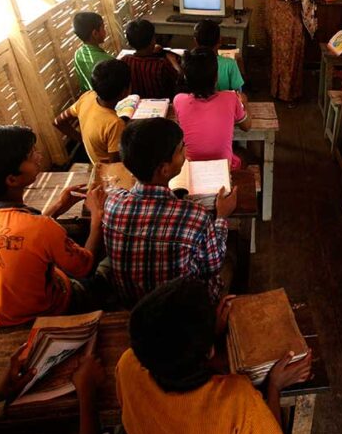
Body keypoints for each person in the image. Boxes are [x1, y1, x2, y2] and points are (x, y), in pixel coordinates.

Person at [116, 278, 313, 434]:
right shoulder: (236, 399)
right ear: (210, 352)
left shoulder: (127, 367)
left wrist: (203, 336)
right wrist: (274, 388)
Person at [0, 126, 106, 326]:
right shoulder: (42, 228)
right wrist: (97, 216)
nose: (38, 157)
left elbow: (20, 236)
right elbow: (85, 267)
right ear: (12, 179)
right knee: (104, 270)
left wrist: (57, 206)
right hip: (41, 313)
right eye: (31, 156)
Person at [98, 118, 237, 308]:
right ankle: (218, 322)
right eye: (181, 149)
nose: (185, 153)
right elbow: (212, 265)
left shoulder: (113, 203)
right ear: (164, 169)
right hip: (180, 314)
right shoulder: (195, 216)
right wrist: (221, 217)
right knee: (229, 257)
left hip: (135, 307)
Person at [173, 48, 251, 170]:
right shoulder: (231, 98)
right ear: (216, 78)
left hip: (192, 168)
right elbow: (247, 127)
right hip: (222, 170)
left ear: (186, 78)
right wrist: (244, 103)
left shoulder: (178, 100)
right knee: (243, 154)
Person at [53, 58, 131, 165]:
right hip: (108, 172)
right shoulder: (115, 124)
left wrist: (83, 140)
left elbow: (58, 122)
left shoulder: (88, 96)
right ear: (125, 92)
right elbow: (115, 167)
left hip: (96, 163)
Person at [121, 19, 181, 99]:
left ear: (130, 42)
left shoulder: (125, 61)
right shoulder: (161, 65)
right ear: (153, 40)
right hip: (162, 106)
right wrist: (174, 62)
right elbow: (179, 80)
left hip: (136, 105)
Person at [194, 19, 244, 92]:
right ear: (220, 40)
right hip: (223, 102)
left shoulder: (190, 62)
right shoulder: (230, 64)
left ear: (195, 41)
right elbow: (238, 92)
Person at [72, 11, 114, 93]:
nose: (105, 31)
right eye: (103, 28)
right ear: (95, 33)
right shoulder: (107, 61)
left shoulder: (78, 54)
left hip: (88, 99)